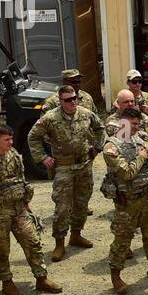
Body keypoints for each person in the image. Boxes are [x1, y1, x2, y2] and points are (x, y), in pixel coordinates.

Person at [0, 125, 63, 295]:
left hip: (19, 209)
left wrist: (27, 206)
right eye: (6, 140)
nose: (10, 142)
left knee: (33, 241)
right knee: (1, 249)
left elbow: (21, 181)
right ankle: (6, 281)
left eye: (11, 139)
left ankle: (41, 278)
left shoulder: (14, 155)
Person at [28, 86, 106, 262]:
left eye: (74, 98)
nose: (73, 102)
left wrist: (97, 147)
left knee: (82, 203)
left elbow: (100, 128)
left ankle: (76, 235)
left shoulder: (86, 113)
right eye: (68, 100)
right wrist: (42, 157)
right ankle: (59, 243)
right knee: (62, 206)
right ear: (60, 101)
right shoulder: (50, 118)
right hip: (63, 167)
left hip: (84, 165)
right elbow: (33, 137)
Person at [102, 108, 148, 294]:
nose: (136, 128)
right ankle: (116, 277)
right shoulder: (111, 148)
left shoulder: (141, 141)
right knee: (122, 240)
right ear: (121, 123)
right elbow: (127, 173)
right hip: (127, 202)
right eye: (132, 124)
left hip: (146, 198)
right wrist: (140, 157)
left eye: (137, 124)